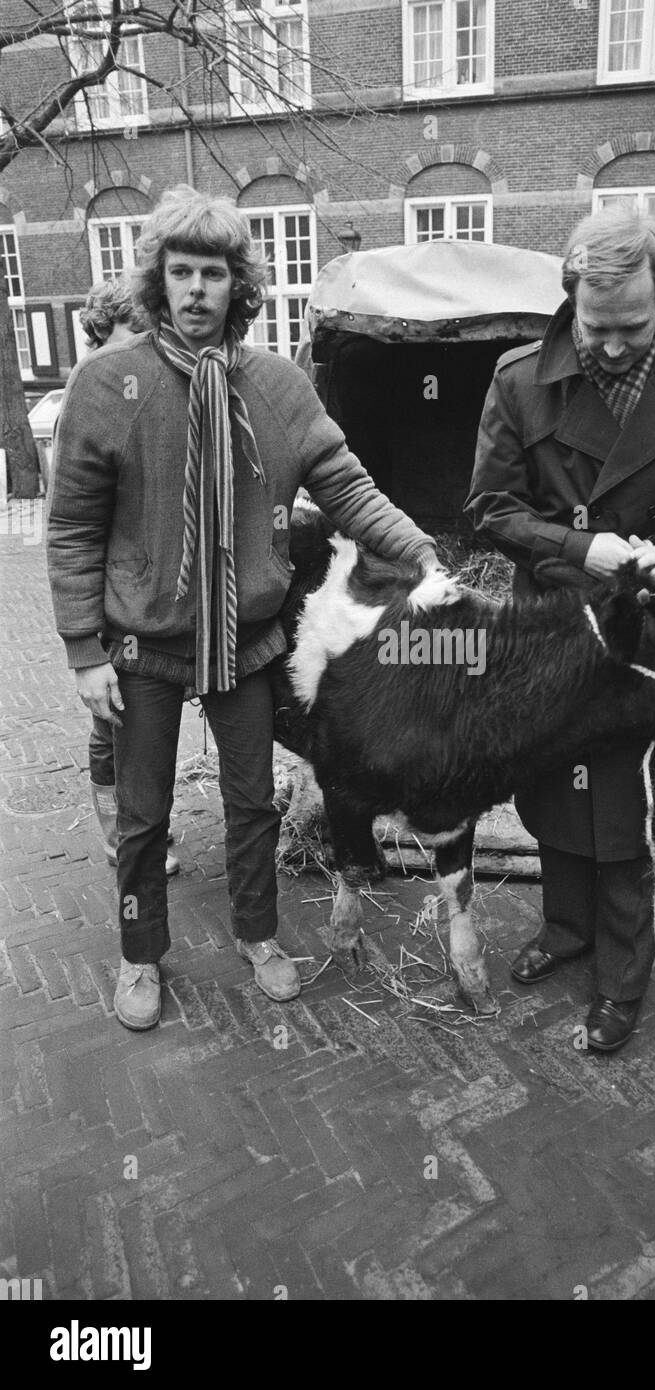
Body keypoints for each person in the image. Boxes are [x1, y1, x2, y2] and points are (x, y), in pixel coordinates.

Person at [47, 187, 436, 1032]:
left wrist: (421, 553)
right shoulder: (106, 384)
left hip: (246, 641)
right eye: (180, 271)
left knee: (254, 802)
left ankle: (258, 934)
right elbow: (72, 529)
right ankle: (139, 951)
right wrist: (83, 651)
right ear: (158, 281)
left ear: (238, 285)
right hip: (143, 646)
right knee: (144, 817)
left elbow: (348, 487)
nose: (195, 290)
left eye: (212, 273)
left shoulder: (278, 387)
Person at [465, 208, 655, 1052]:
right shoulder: (519, 378)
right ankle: (567, 929)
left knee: (637, 804)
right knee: (556, 788)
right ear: (571, 300)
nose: (610, 345)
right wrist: (579, 545)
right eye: (595, 326)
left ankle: (625, 972)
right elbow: (488, 507)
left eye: (632, 326)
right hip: (560, 628)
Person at [76, 280, 181, 878]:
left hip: (148, 591)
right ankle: (123, 837)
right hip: (112, 596)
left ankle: (141, 828)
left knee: (127, 723)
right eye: (130, 336)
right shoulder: (93, 389)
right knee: (107, 720)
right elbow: (76, 525)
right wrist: (84, 642)